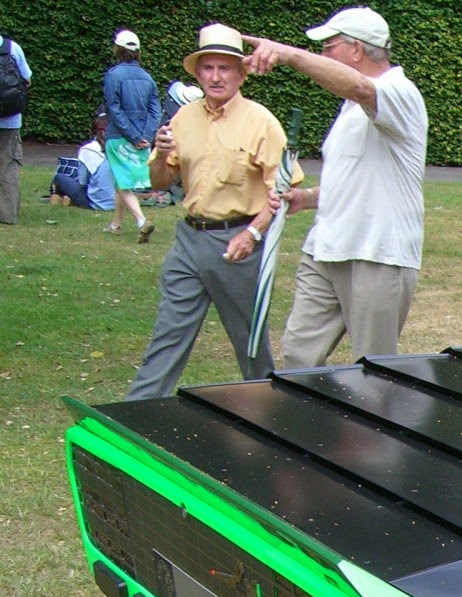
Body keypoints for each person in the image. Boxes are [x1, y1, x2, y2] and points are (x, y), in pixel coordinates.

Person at [242, 6, 430, 366]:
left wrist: (288, 54)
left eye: (329, 47)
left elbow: (359, 86)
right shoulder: (349, 107)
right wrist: (307, 197)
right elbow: (357, 174)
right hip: (325, 249)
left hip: (379, 253)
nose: (322, 55)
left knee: (374, 372)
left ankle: (372, 423)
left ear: (357, 50)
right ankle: (307, 422)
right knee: (299, 356)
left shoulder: (398, 92)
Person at [126, 24, 294, 400]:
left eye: (225, 68)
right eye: (208, 68)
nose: (216, 77)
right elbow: (158, 180)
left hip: (238, 245)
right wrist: (158, 148)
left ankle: (271, 412)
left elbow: (283, 190)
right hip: (189, 239)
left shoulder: (262, 122)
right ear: (198, 72)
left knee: (250, 346)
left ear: (241, 73)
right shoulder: (183, 118)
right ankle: (135, 416)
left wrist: (253, 234)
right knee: (168, 334)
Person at [102, 29, 160, 241]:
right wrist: (145, 136)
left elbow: (114, 110)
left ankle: (141, 221)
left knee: (121, 182)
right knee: (122, 179)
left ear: (118, 49)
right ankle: (116, 224)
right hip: (141, 139)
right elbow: (155, 111)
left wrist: (134, 136)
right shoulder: (148, 78)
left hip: (119, 136)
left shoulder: (113, 75)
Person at [51, 115, 115, 210]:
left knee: (59, 177)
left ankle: (60, 197)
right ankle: (66, 199)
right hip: (123, 202)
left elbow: (83, 182)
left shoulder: (88, 149)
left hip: (97, 204)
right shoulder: (121, 149)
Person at [0, 33, 28, 226]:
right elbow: (27, 78)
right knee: (9, 165)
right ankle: (8, 215)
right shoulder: (12, 48)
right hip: (10, 120)